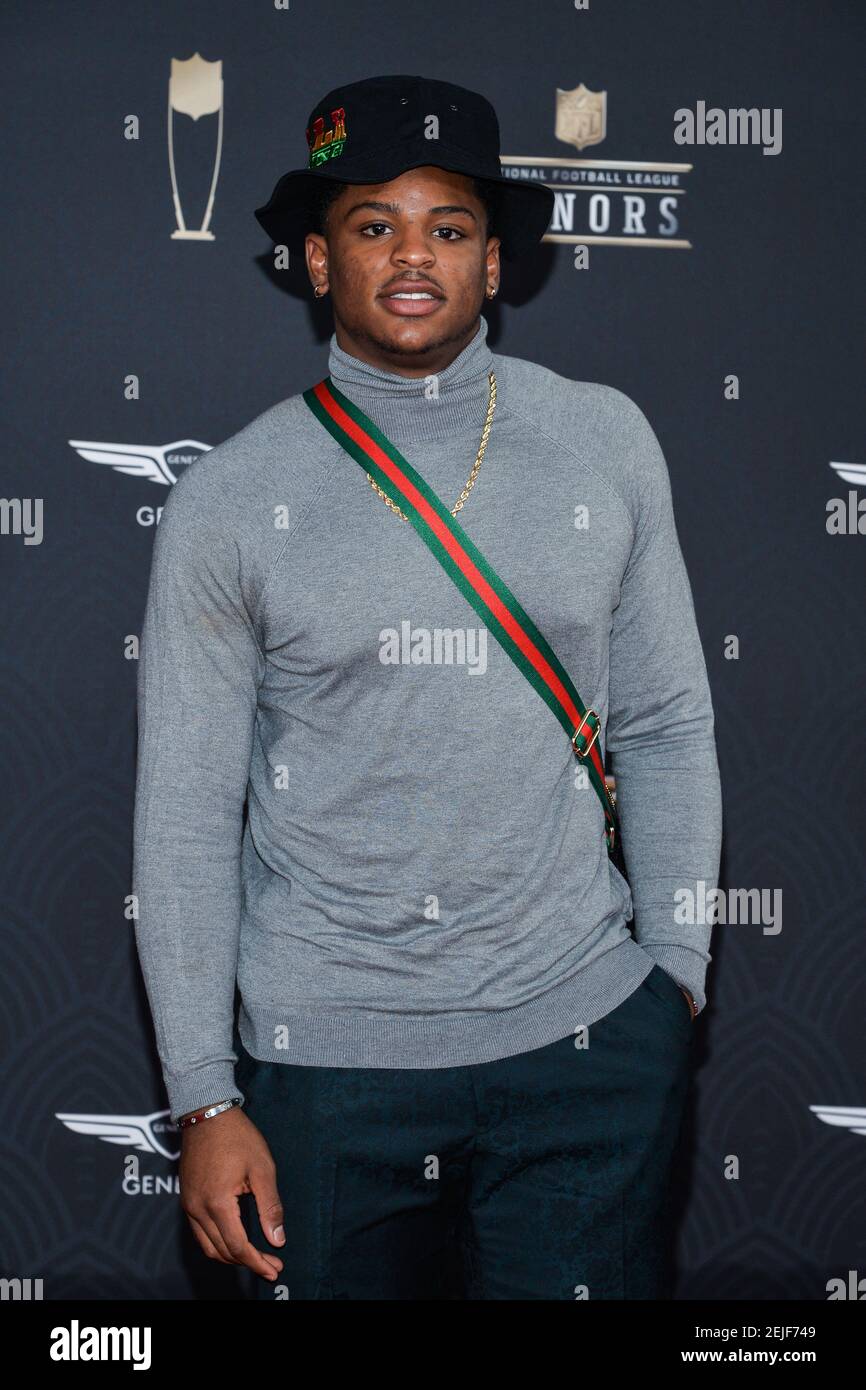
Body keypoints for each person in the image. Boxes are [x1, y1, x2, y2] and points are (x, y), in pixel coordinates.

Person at [132, 73, 723, 1300]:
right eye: (372, 224)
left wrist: (668, 976)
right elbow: (187, 810)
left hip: (585, 1051)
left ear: (493, 263)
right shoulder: (230, 501)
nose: (413, 255)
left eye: (448, 227)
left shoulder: (603, 439)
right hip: (324, 1071)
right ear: (313, 259)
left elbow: (664, 721)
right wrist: (201, 1097)